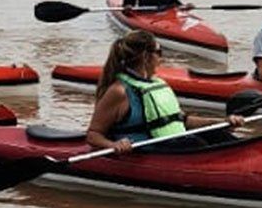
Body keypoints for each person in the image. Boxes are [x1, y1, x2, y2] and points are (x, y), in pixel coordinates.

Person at [86, 30, 243, 153]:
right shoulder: (119, 91)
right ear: (146, 57)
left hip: (172, 143)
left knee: (217, 134)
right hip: (148, 151)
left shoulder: (157, 84)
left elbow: (182, 120)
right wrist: (113, 144)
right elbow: (93, 134)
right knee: (195, 143)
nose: (162, 58)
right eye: (159, 52)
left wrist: (222, 123)